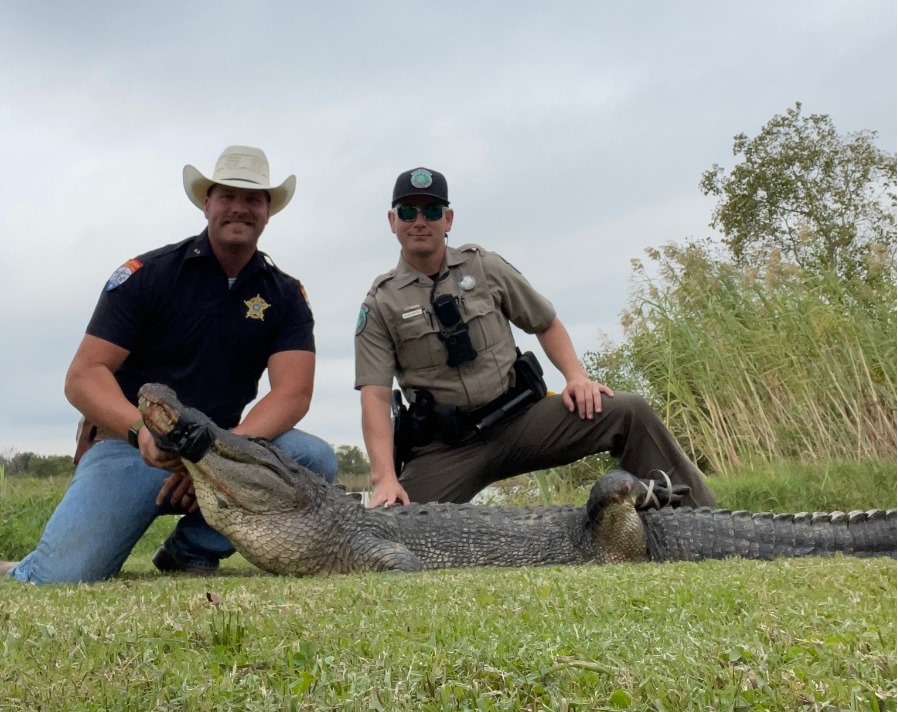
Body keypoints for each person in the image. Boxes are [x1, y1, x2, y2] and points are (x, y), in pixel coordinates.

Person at [1, 145, 337, 584]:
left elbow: (293, 391)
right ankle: (22, 569)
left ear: (268, 210)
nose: (239, 208)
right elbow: (83, 376)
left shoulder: (286, 294)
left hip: (224, 446)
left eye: (252, 198)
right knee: (62, 577)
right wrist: (140, 433)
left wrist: (219, 457)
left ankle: (191, 550)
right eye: (227, 196)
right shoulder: (149, 274)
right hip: (133, 448)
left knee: (313, 457)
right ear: (206, 204)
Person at [354, 167, 716, 509]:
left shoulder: (485, 267)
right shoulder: (380, 303)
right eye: (408, 212)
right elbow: (375, 395)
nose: (420, 221)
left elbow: (546, 322)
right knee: (394, 524)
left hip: (523, 421)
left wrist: (575, 377)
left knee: (629, 411)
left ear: (448, 220)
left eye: (432, 210)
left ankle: (696, 518)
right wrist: (385, 477)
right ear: (392, 221)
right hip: (449, 448)